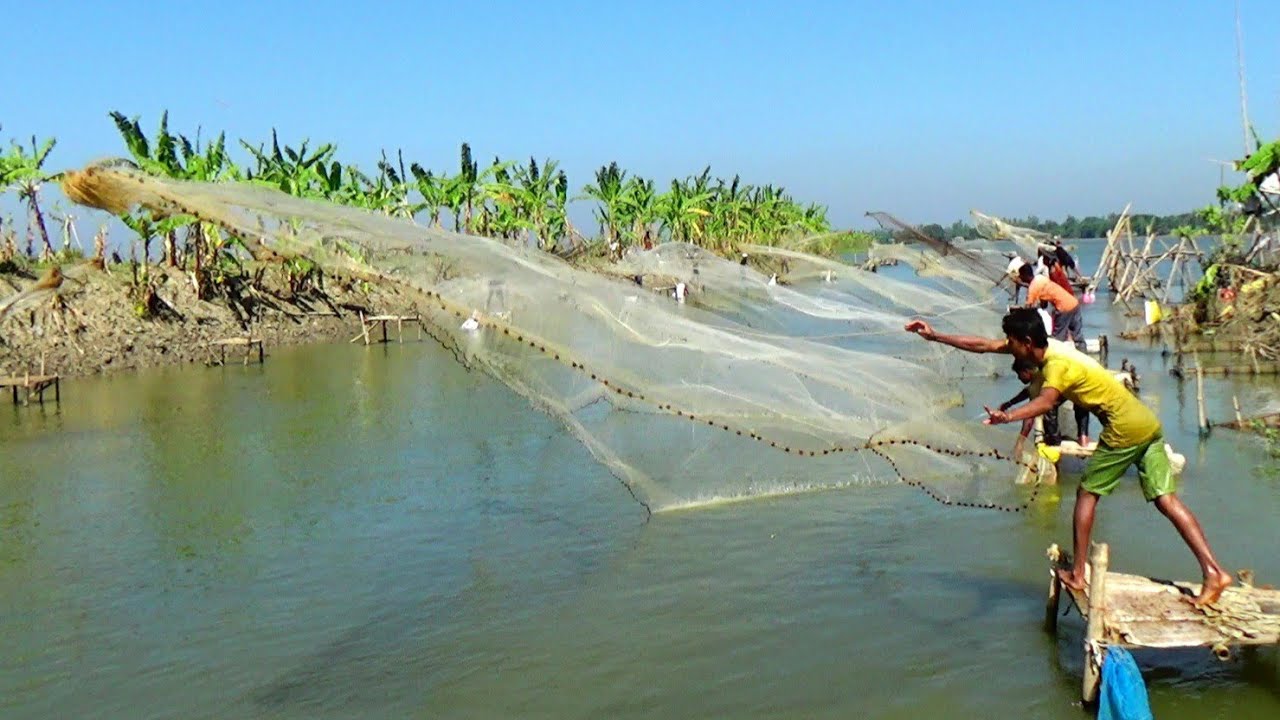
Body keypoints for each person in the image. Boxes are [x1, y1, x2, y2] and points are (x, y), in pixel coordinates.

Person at [904, 309, 1232, 607]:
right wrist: (935, 336)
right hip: (1145, 420)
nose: (1007, 348)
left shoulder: (1057, 365)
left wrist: (1009, 416)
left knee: (1086, 494)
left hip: (1123, 426)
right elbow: (983, 345)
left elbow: (1047, 403)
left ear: (1027, 343)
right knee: (1166, 500)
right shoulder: (1049, 348)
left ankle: (1078, 573)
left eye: (1013, 343)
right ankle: (1214, 572)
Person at [1000, 357, 1092, 448]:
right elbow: (1027, 391)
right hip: (1081, 383)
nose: (1019, 378)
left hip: (1069, 386)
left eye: (1019, 374)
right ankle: (1083, 436)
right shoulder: (1041, 370)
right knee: (1080, 401)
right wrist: (1010, 403)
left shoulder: (1036, 383)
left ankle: (1054, 441)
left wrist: (1020, 443)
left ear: (1026, 371)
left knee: (1047, 405)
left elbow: (1030, 414)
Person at [1019, 264, 1085, 351]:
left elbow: (1028, 308)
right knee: (1077, 336)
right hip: (1073, 302)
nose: (1020, 278)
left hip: (1063, 308)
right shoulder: (1041, 278)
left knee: (1058, 338)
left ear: (1025, 275)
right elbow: (1046, 297)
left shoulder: (1032, 288)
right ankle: (1083, 354)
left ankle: (1057, 358)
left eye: (1021, 276)